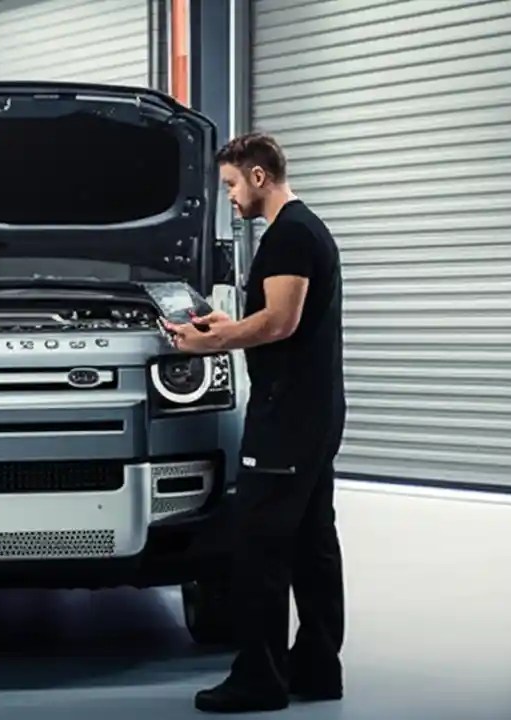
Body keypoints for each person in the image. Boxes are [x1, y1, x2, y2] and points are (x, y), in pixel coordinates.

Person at [163, 132, 347, 713]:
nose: (231, 199)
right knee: (313, 542)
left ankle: (259, 679)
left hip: (286, 414)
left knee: (259, 546)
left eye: (232, 186)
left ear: (259, 177)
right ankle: (317, 669)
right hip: (314, 409)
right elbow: (274, 316)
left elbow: (280, 323)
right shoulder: (306, 228)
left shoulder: (290, 234)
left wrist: (211, 341)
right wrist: (229, 321)